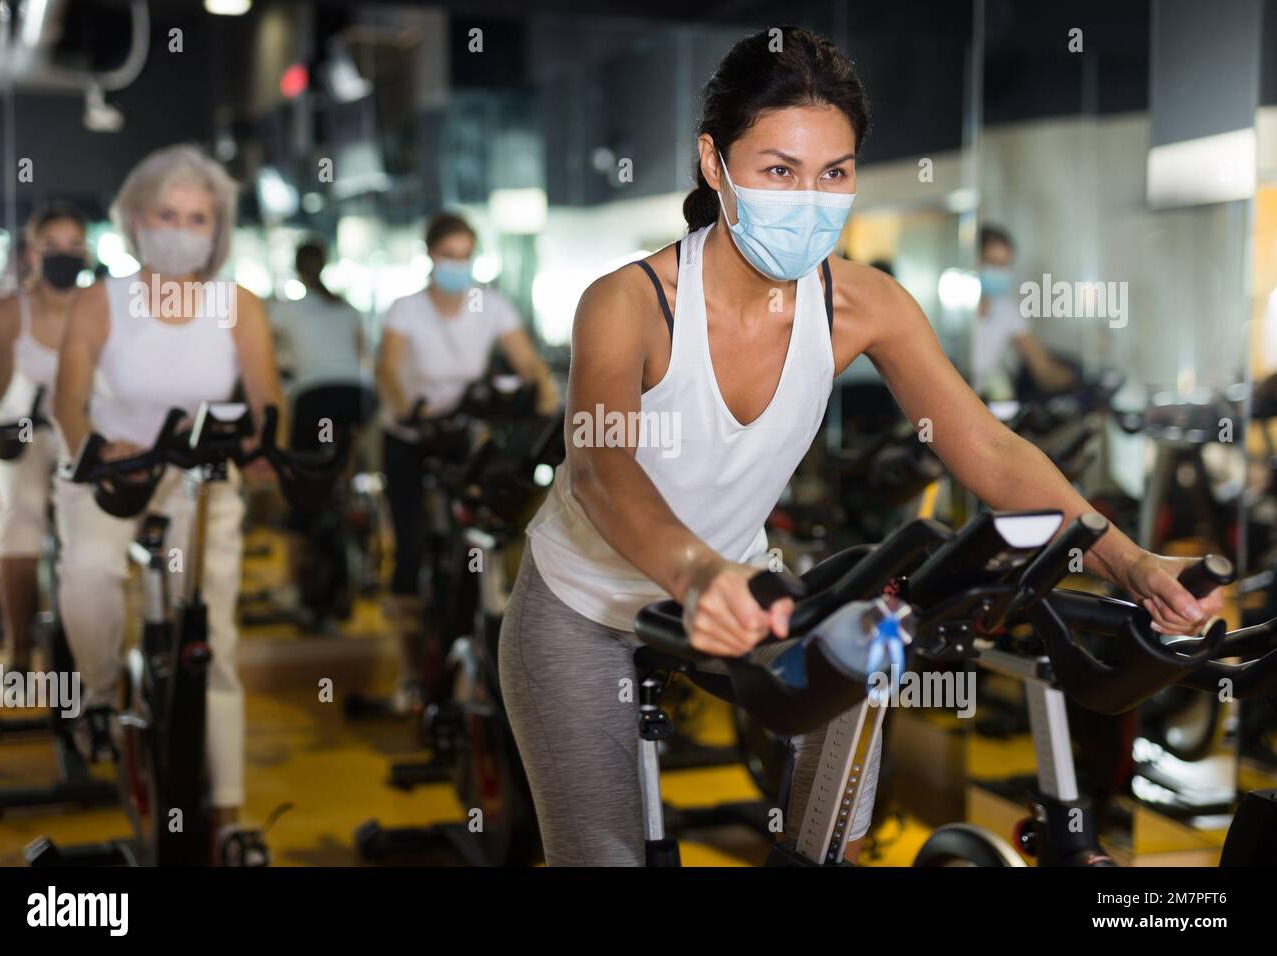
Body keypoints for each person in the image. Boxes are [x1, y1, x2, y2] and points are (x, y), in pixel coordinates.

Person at [497, 26, 1224, 867]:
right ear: (714, 163)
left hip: (740, 598)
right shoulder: (628, 302)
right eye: (779, 170)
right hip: (583, 608)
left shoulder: (863, 304)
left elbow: (987, 448)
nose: (809, 199)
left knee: (844, 758)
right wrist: (695, 572)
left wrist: (1129, 562)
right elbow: (600, 467)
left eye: (832, 174)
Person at [53, 145, 286, 864]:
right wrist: (99, 449)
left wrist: (258, 451)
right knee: (91, 579)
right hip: (114, 467)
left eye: (197, 218)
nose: (182, 230)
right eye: (168, 215)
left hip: (199, 474)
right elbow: (67, 401)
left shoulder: (236, 304)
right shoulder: (101, 301)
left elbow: (266, 401)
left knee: (209, 634)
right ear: (135, 220)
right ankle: (94, 695)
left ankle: (226, 812)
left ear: (215, 231)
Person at [375, 211, 558, 714]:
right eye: (448, 256)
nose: (457, 265)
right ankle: (412, 674)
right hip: (412, 434)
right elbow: (387, 369)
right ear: (431, 256)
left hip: (464, 433)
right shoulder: (407, 309)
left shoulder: (490, 305)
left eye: (465, 256)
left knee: (489, 529)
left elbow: (529, 364)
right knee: (410, 547)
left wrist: (546, 401)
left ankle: (488, 645)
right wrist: (403, 408)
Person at [0, 203, 88, 683]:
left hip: (74, 429)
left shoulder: (97, 308)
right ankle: (19, 647)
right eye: (53, 246)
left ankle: (86, 648)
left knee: (87, 529)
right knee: (19, 520)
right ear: (34, 251)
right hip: (19, 428)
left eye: (74, 246)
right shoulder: (7, 310)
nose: (64, 255)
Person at [269, 238, 375, 625]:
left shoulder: (285, 310)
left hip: (316, 398)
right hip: (355, 396)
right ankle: (350, 503)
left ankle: (295, 580)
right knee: (342, 464)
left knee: (303, 484)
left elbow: (264, 351)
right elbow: (362, 355)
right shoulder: (345, 308)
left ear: (298, 270)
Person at [973, 223, 1076, 401]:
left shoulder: (1006, 309)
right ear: (974, 261)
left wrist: (1078, 379)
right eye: (992, 263)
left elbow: (1042, 369)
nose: (999, 272)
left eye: (1005, 266)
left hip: (980, 402)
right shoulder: (954, 309)